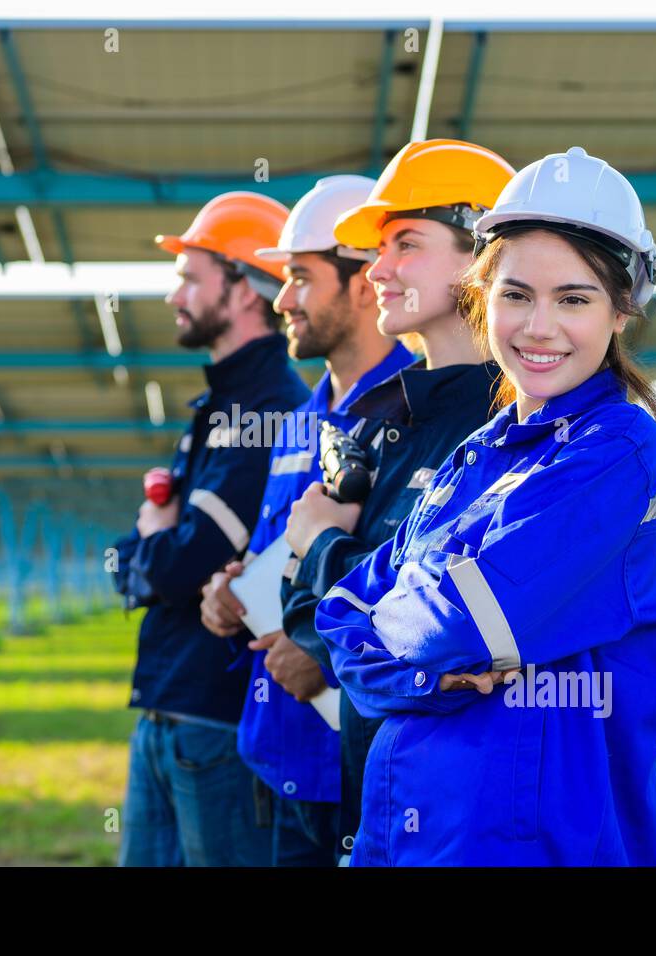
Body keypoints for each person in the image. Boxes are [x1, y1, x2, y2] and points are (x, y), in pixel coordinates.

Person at [315, 146, 656, 866]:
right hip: (405, 832)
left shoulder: (617, 448)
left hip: (534, 843)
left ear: (622, 310)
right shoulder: (476, 454)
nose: (538, 326)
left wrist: (410, 625)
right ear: (484, 295)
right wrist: (421, 662)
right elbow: (340, 621)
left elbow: (470, 619)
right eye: (516, 295)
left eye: (573, 299)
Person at [276, 139, 516, 865]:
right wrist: (346, 581)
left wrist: (323, 547)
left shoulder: (515, 427)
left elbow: (450, 633)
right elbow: (312, 623)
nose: (377, 271)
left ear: (482, 256)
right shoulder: (383, 420)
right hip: (376, 805)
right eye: (378, 251)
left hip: (463, 819)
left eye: (405, 245)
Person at [197, 175, 415, 866]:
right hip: (276, 750)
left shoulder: (423, 412)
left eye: (298, 277)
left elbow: (421, 584)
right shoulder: (297, 424)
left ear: (362, 281)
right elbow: (283, 565)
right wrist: (236, 595)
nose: (282, 299)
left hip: (359, 762)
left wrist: (319, 653)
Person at [111, 192, 310, 867]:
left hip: (219, 719)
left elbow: (179, 562)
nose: (175, 295)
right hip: (170, 711)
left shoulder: (272, 411)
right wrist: (148, 550)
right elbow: (166, 556)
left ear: (246, 289)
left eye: (191, 277)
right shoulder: (222, 406)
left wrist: (142, 552)